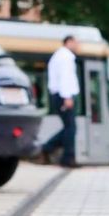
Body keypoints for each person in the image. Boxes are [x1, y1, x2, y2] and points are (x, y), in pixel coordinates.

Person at [41, 35, 81, 167]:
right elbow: (65, 77)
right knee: (71, 128)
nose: (78, 45)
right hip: (63, 95)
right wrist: (67, 97)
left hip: (60, 95)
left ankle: (48, 149)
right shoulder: (65, 57)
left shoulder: (59, 56)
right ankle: (66, 157)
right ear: (69, 42)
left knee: (69, 127)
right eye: (76, 42)